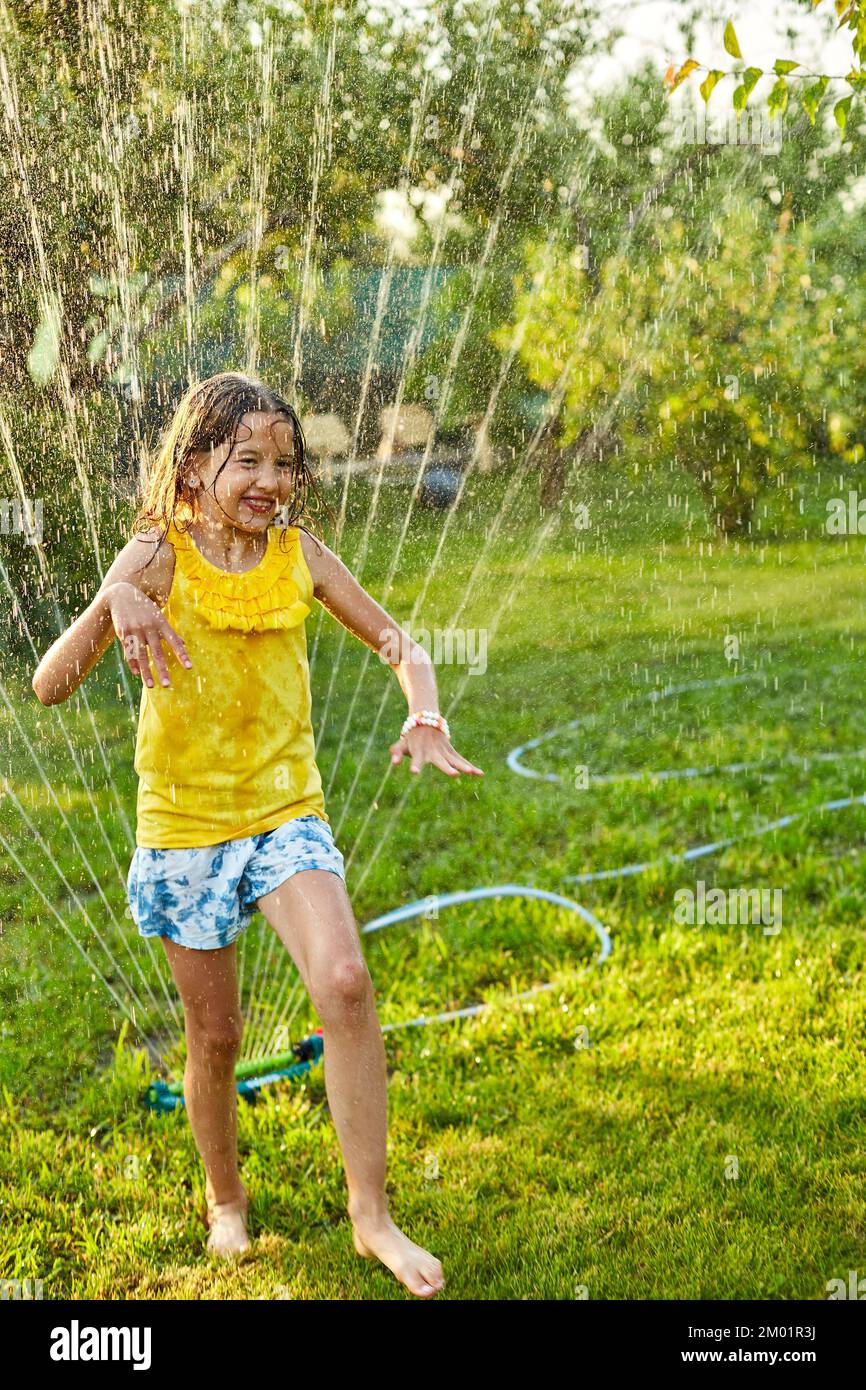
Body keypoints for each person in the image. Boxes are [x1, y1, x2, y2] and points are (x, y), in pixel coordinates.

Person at [31, 371, 484, 1298]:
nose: (272, 480)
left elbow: (400, 644)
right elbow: (49, 683)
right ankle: (225, 1197)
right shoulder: (158, 555)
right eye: (249, 461)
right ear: (195, 467)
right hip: (186, 827)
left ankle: (372, 1218)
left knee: (348, 985)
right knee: (216, 1038)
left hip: (285, 816)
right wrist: (113, 601)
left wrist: (426, 710)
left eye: (286, 463)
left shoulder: (300, 556)